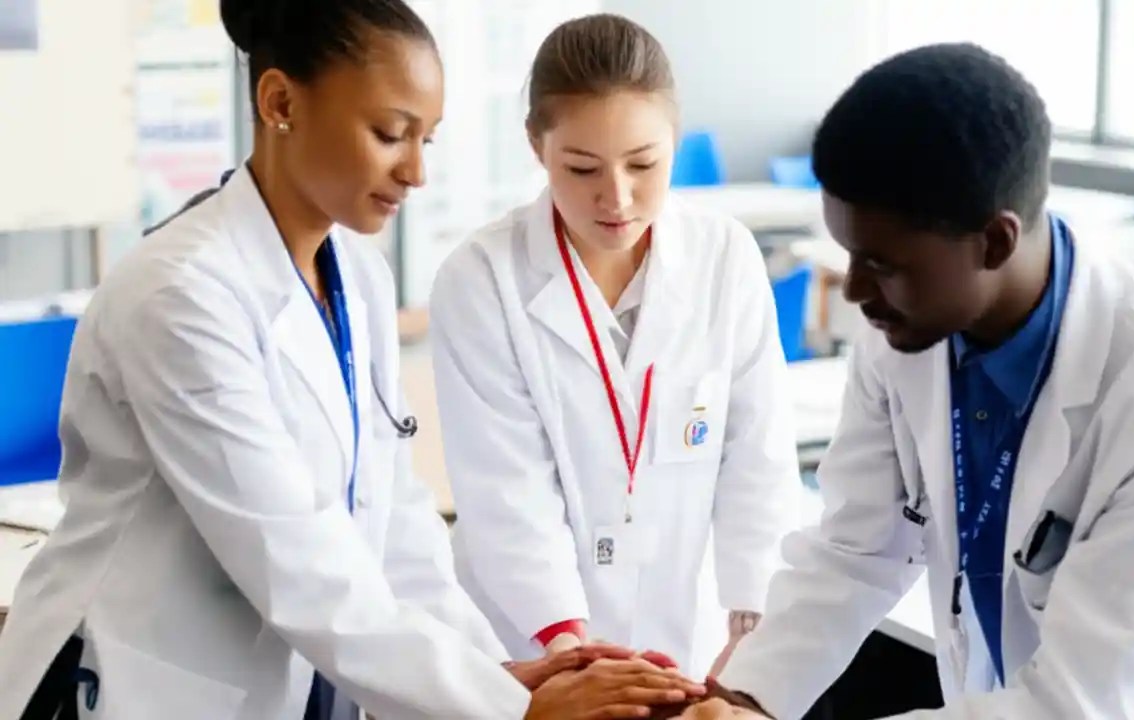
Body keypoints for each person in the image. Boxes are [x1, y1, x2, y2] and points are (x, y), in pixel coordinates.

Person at [0, 2, 705, 718]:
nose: (418, 171)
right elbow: (294, 560)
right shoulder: (180, 297)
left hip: (296, 685)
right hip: (138, 687)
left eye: (428, 138)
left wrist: (490, 669)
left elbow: (393, 518)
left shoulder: (358, 278)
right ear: (280, 102)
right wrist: (507, 710)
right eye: (390, 134)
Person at [698, 43, 1134, 719]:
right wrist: (747, 697)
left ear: (995, 242)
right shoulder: (903, 330)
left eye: (881, 264)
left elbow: (1081, 705)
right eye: (851, 255)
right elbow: (855, 550)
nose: (855, 290)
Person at [429, 13, 801, 677]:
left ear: (673, 141)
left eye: (644, 164)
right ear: (536, 146)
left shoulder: (724, 258)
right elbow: (506, 493)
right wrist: (572, 655)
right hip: (531, 649)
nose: (617, 198)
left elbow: (758, 455)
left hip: (687, 636)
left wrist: (752, 621)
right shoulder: (482, 278)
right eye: (581, 168)